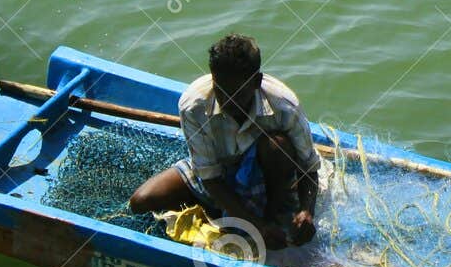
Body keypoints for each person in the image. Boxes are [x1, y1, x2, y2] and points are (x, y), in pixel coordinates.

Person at [130, 34, 319, 251]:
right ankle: (228, 215)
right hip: (219, 173)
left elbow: (309, 169)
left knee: (276, 145)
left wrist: (307, 211)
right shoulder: (193, 106)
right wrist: (256, 227)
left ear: (256, 82)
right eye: (221, 91)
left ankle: (274, 215)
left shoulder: (284, 106)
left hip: (265, 173)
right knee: (141, 202)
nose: (228, 102)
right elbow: (209, 178)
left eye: (237, 94)